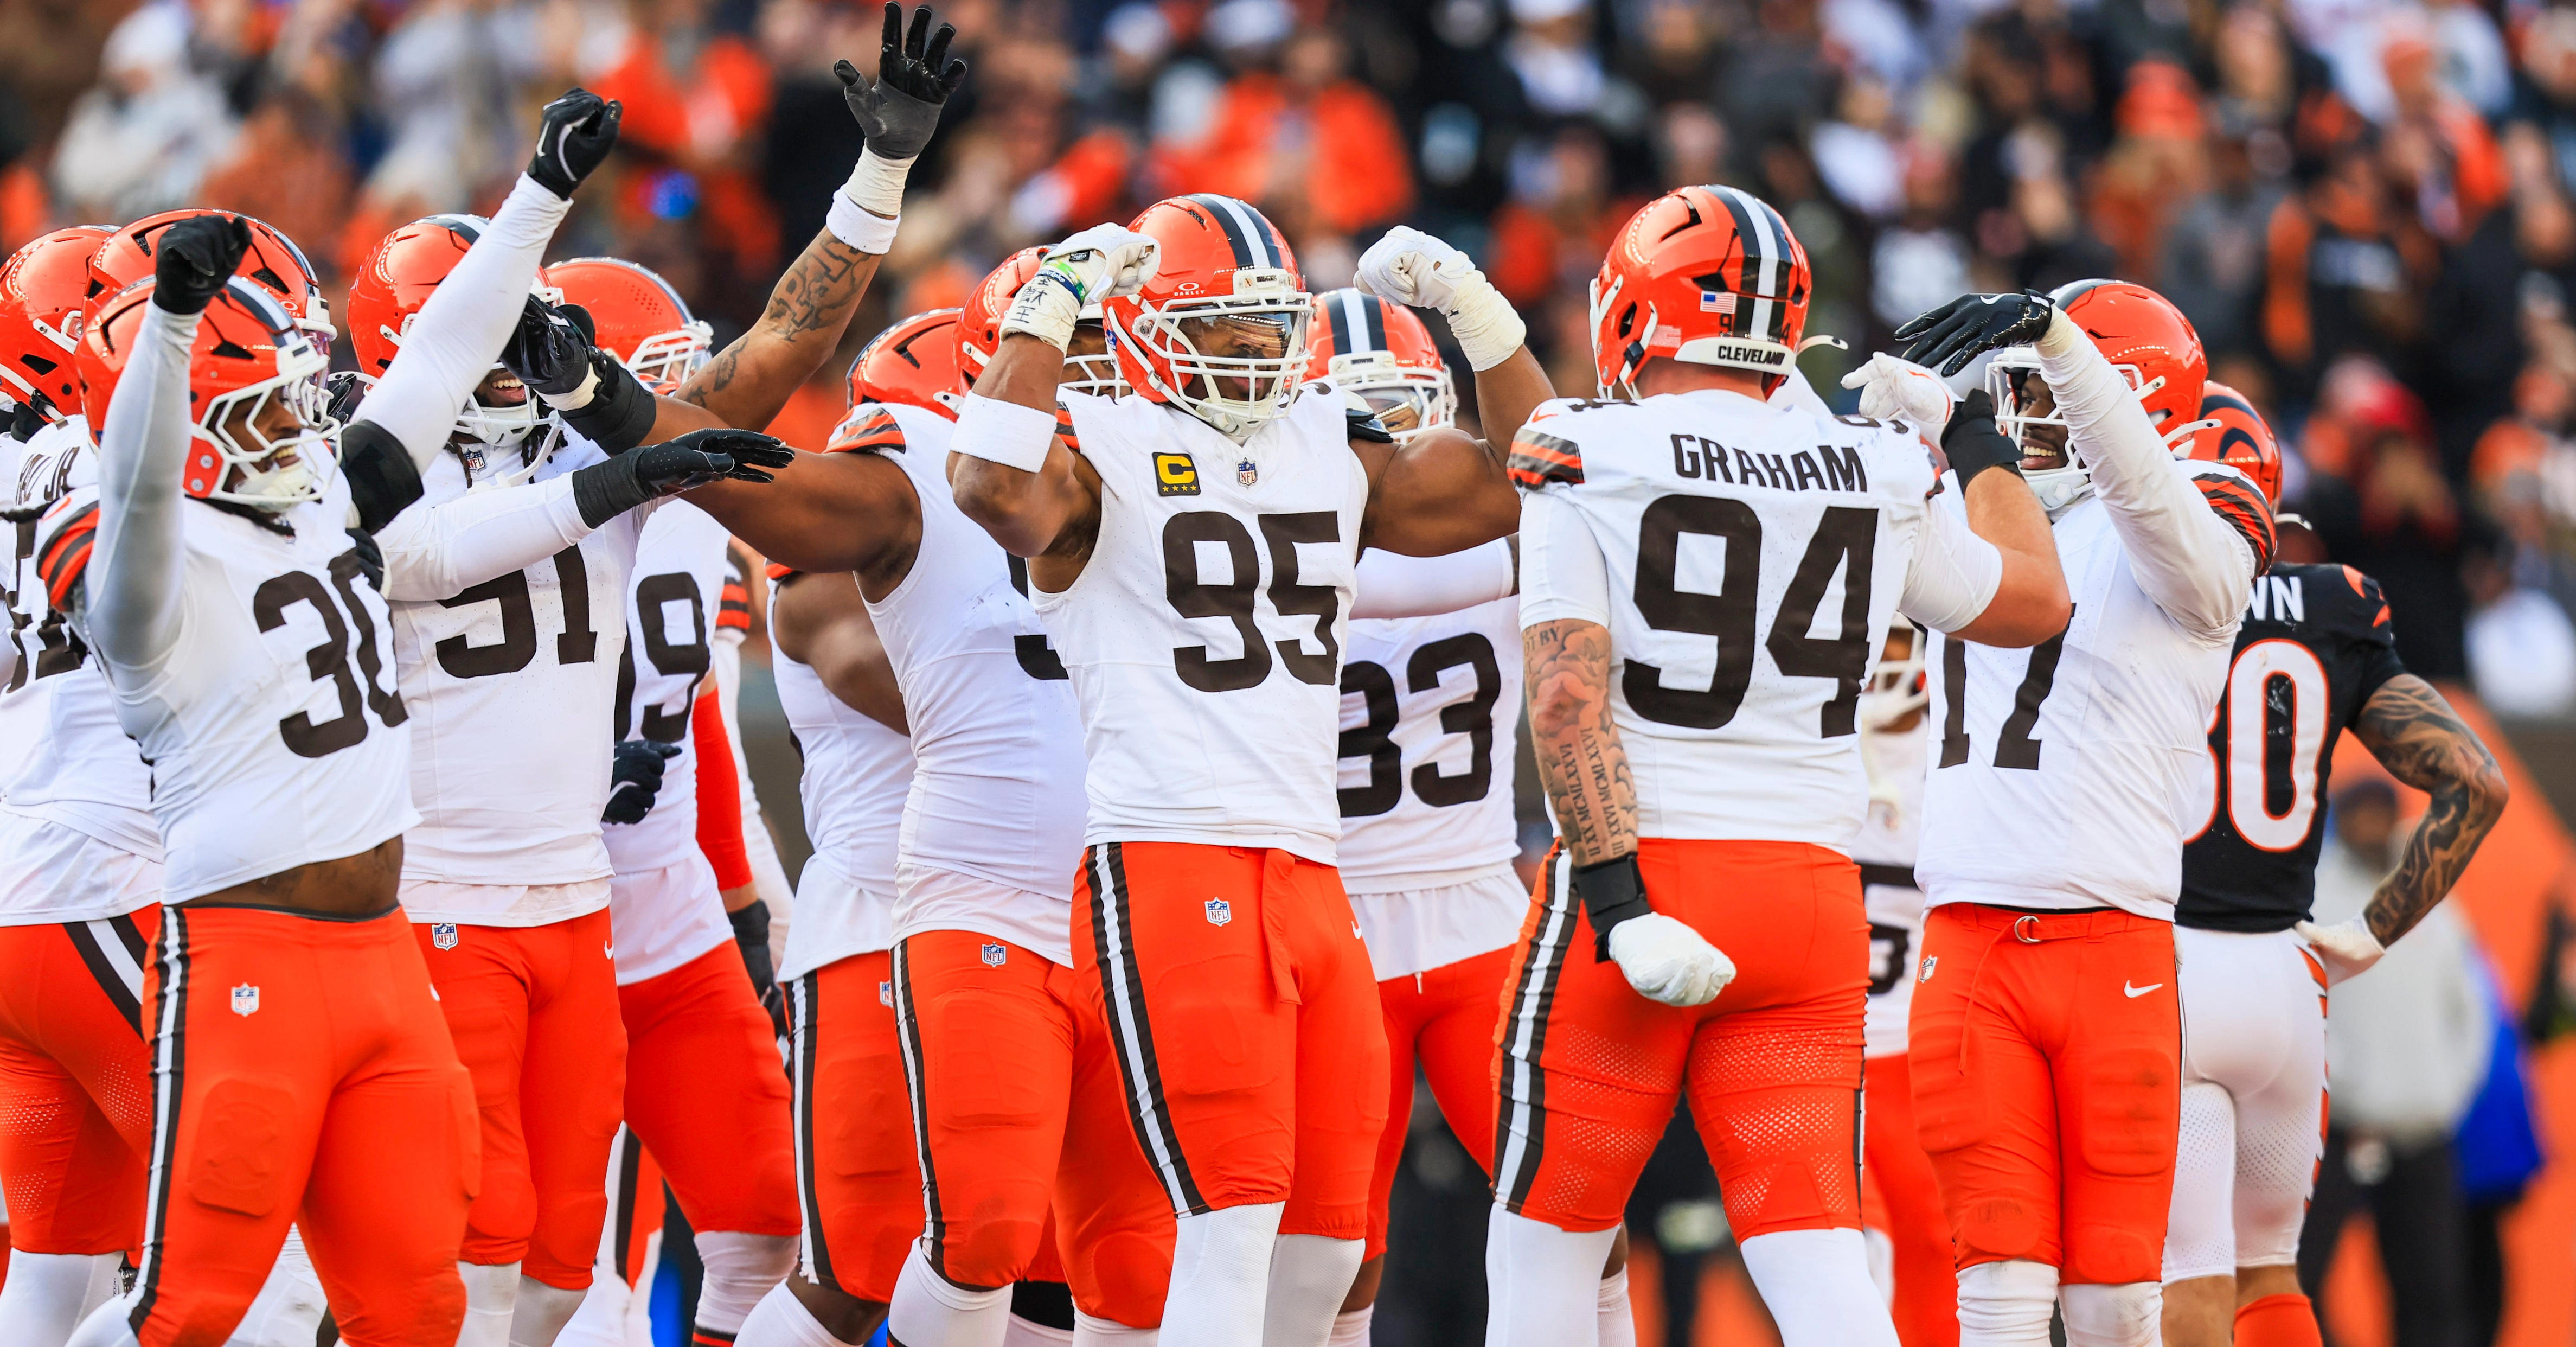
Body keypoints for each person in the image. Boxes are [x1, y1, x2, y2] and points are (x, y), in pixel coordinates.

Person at [947, 198, 1549, 1342]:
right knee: (1227, 1222)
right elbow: (987, 487)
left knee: (1324, 1250)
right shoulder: (1094, 441)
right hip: (1169, 855)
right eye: (1220, 326)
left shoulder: (1326, 436)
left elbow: (1531, 472)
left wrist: (1476, 315)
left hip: (1311, 871)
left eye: (1268, 325)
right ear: (1145, 327)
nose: (1254, 348)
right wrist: (1048, 299)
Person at [1502, 183, 2070, 1347]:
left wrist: (1614, 903)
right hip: (1813, 896)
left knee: (1544, 1252)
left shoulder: (1583, 444)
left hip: (1648, 869)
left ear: (1635, 309)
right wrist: (1962, 432)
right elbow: (2032, 600)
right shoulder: (1878, 462)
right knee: (1816, 1254)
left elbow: (1565, 696)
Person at [796, 266, 1175, 1347]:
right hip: (888, 919)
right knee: (863, 1266)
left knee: (1060, 1266)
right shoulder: (868, 523)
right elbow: (933, 692)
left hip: (1056, 917)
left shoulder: (1080, 517)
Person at [1891, 279, 2273, 1347]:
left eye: (2043, 390)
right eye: (2013, 390)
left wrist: (2061, 345)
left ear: (2124, 393)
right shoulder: (1976, 507)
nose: (2021, 417)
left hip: (2114, 946)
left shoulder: (2187, 517)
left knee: (2114, 1304)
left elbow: (2189, 557)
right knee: (1996, 1295)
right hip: (1966, 944)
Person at [0, 220, 350, 1347]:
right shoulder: (112, 462)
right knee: (266, 1225)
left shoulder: (38, 459)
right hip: (106, 873)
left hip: (41, 879)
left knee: (59, 1275)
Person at [1300, 286, 1629, 1346]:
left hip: (1478, 905)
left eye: (1398, 409)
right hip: (1331, 922)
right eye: (1356, 418)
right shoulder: (1281, 542)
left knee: (1579, 1208)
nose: (1386, 441)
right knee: (1330, 1249)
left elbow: (1547, 466)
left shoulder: (1495, 528)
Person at [2161, 386, 2508, 1347]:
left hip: (2166, 970)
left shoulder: (2130, 591)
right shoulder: (2334, 600)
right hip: (2284, 975)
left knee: (2175, 1270)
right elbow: (2477, 782)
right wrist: (2367, 934)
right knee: (2271, 1270)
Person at [548, 255, 802, 1347]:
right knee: (571, 1276)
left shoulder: (698, 515)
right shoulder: (496, 520)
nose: (675, 399)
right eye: (648, 376)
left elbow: (696, 728)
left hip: (671, 917)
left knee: (771, 1226)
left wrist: (758, 910)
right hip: (537, 915)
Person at [2295, 780, 2494, 1347]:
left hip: (2421, 1130)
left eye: (2379, 815)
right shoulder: (2317, 899)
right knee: (2300, 1280)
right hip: (2334, 1130)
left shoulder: (2432, 899)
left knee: (2430, 1290)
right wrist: (2337, 1085)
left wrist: (2448, 1092)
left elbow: (2471, 1008)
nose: (2370, 827)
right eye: (2358, 816)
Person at [1851, 623, 1953, 1347]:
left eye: (1897, 641)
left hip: (1919, 1057)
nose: (1887, 663)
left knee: (1932, 1256)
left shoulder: (1951, 760)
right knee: (1855, 1257)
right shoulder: (1814, 755)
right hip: (1822, 1054)